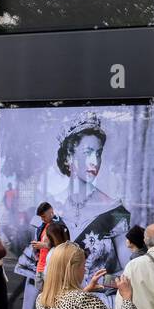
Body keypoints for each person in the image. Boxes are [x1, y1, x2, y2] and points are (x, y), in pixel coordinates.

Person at [51, 111, 133, 280]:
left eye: (98, 153)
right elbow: (35, 275)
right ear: (68, 157)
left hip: (96, 301)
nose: (95, 161)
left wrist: (105, 281)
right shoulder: (52, 206)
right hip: (57, 302)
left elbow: (130, 271)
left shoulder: (114, 210)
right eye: (87, 152)